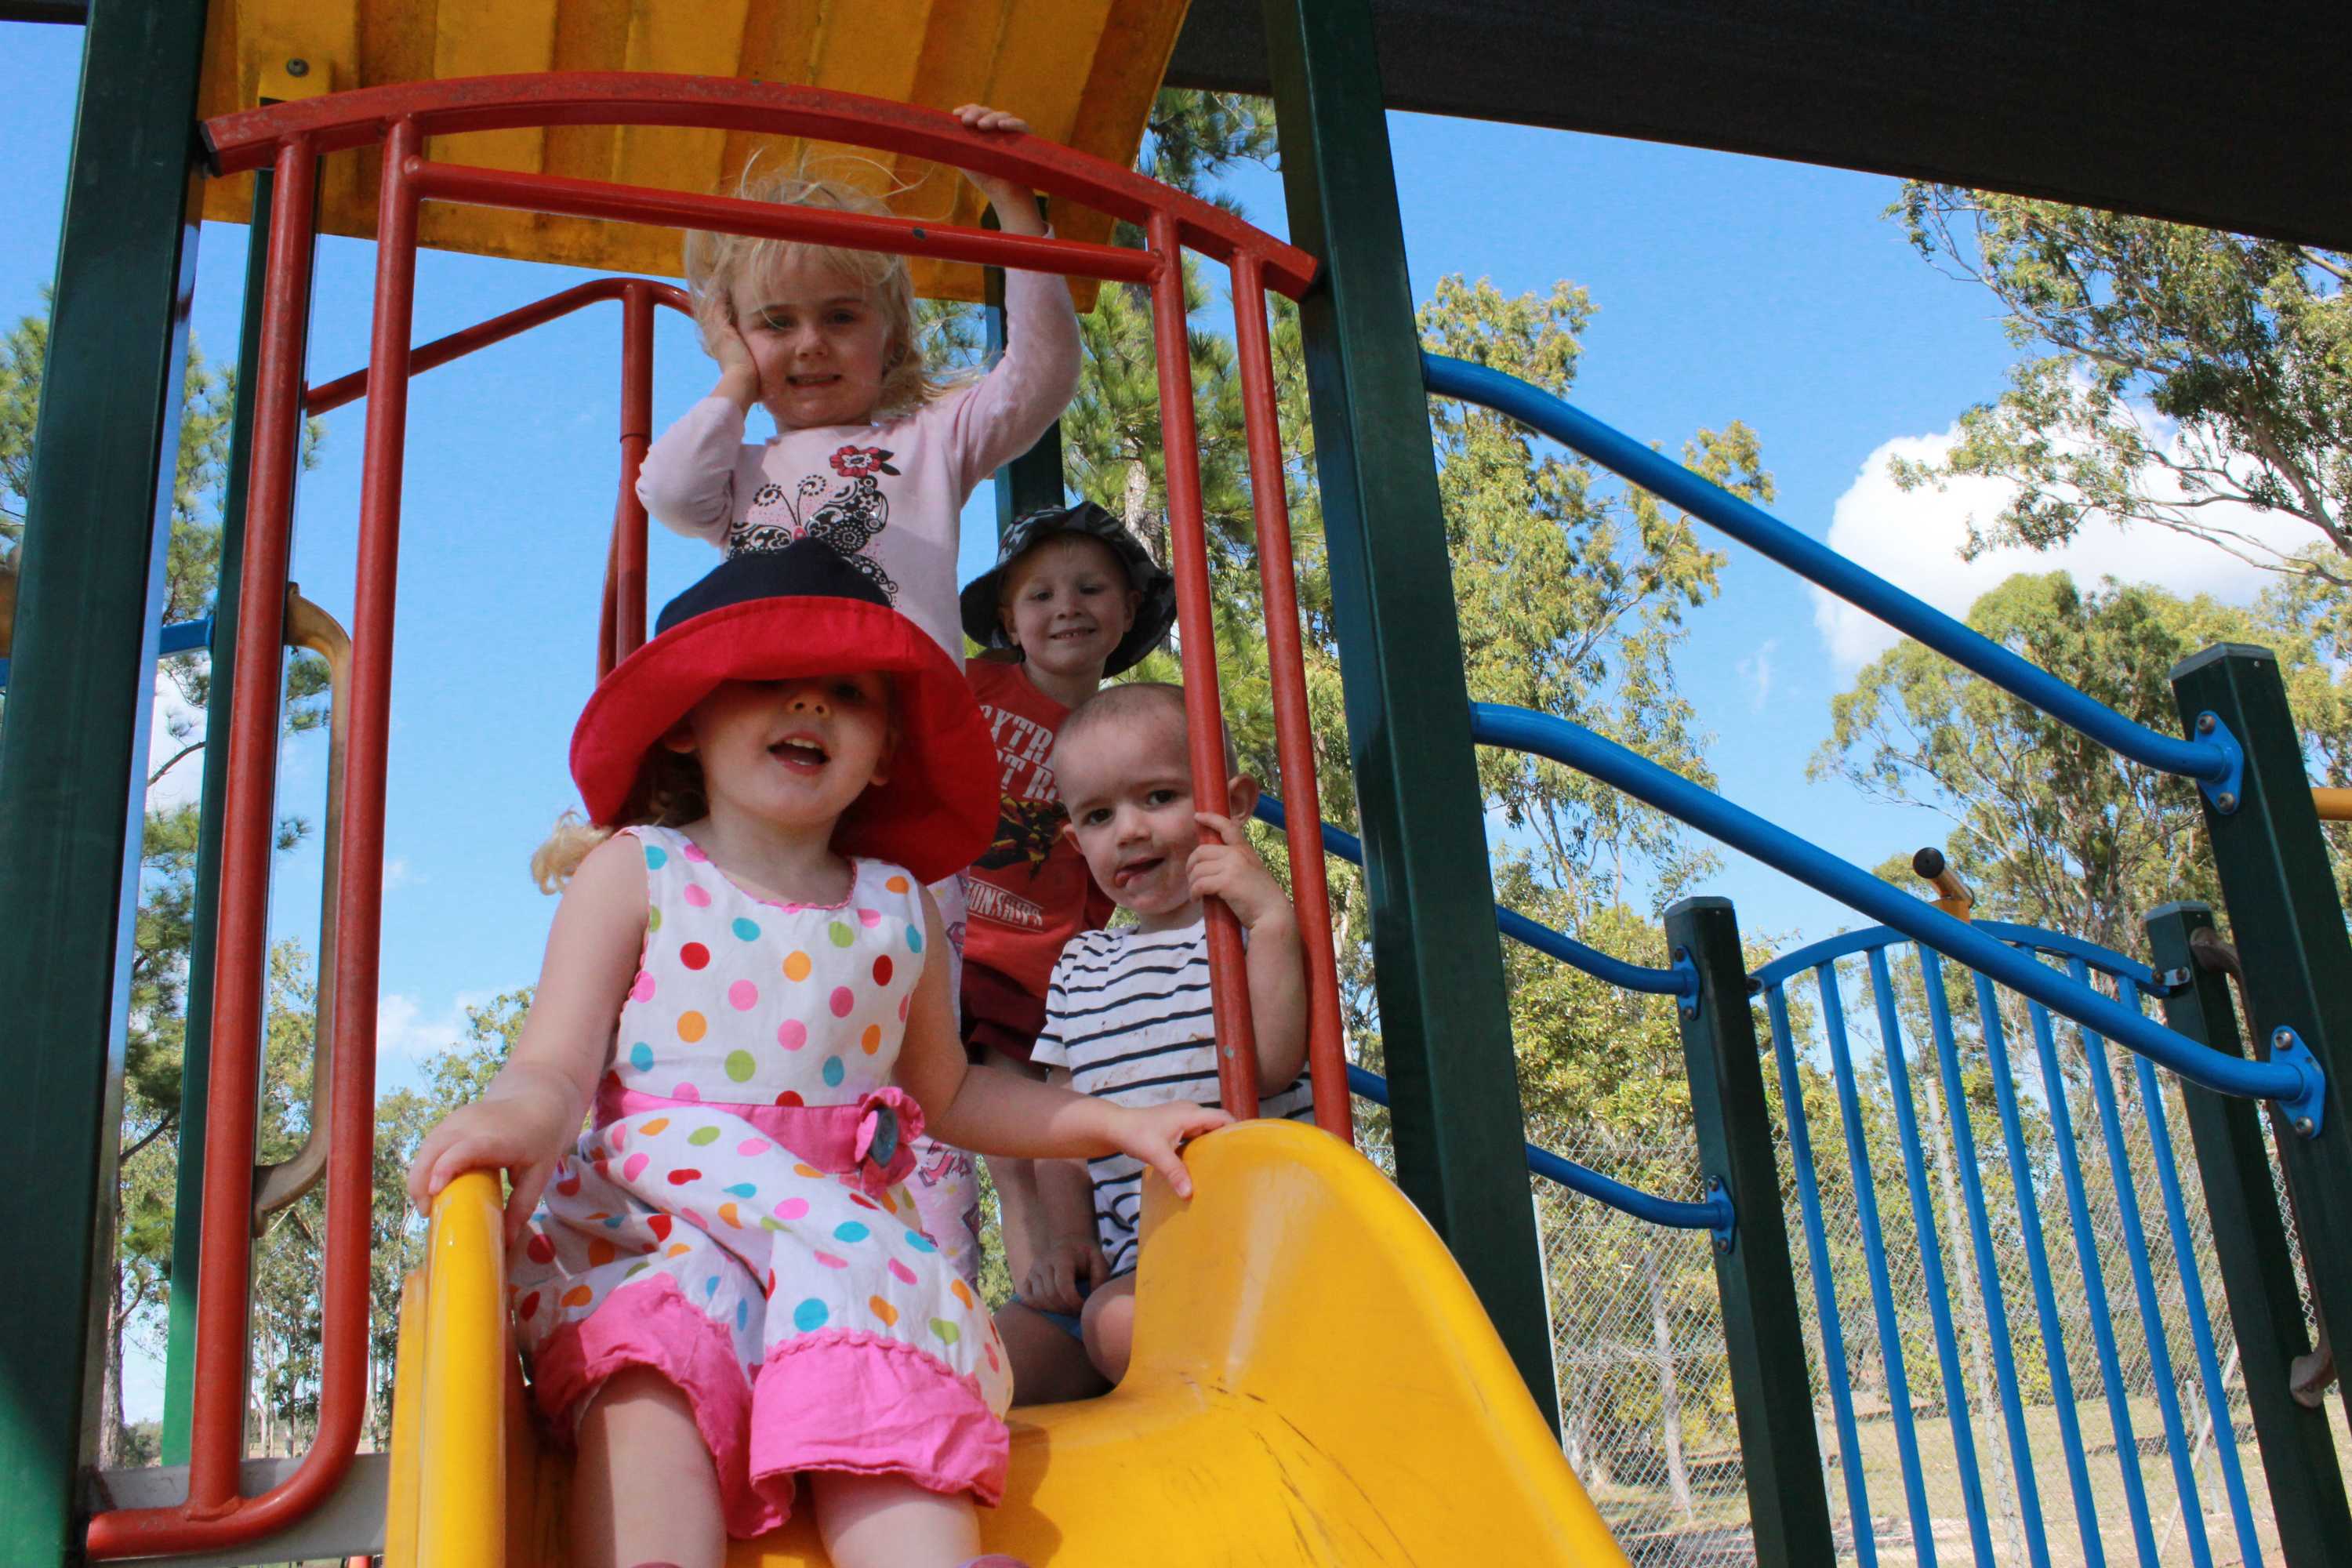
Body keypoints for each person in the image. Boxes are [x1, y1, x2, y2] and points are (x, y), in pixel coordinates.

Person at [405, 543, 1225, 1568]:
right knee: (651, 1377)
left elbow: (955, 1092)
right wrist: (520, 1119)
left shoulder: (900, 904)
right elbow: (556, 1066)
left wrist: (1112, 1121)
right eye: (767, 684)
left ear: (884, 750)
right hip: (671, 1222)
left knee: (886, 1406)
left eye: (847, 692)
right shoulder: (639, 873)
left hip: (836, 1242)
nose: (811, 706)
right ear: (690, 723)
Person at [633, 101, 1083, 1290]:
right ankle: (769, 1239)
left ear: (888, 328)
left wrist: (1010, 200)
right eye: (777, 324)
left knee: (915, 1028)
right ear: (736, 337)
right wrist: (732, 379)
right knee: (782, 1008)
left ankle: (931, 1273)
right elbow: (667, 492)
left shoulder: (926, 442)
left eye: (842, 315)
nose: (813, 345)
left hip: (897, 772)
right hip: (779, 776)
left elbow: (1038, 375)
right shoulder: (738, 468)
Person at [991, 683, 1314, 1403]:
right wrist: (1069, 1240)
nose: (1128, 831)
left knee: (1116, 1325)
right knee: (979, 1367)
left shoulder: (1243, 937)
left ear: (1232, 803)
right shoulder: (1082, 965)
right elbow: (1059, 1126)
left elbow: (1272, 1063)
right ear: (1076, 841)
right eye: (1100, 816)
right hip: (1121, 1262)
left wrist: (1269, 919)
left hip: (1241, 1259)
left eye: (1159, 798)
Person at [953, 501, 1176, 1285]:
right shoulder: (973, 685)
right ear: (1010, 620)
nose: (1067, 607)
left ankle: (1039, 1278)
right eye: (1041, 594)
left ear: (1126, 617)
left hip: (1033, 963)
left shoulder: (1124, 726)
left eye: (1090, 589)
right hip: (944, 934)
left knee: (1018, 1142)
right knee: (909, 1118)